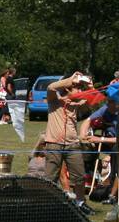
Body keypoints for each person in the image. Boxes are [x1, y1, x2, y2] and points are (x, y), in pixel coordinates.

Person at [41, 71, 95, 212]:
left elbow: (96, 101)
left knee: (79, 175)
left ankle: (80, 203)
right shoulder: (54, 100)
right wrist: (71, 79)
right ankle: (46, 204)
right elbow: (51, 87)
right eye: (77, 87)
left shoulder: (78, 103)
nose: (80, 90)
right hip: (54, 143)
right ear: (67, 88)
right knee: (50, 176)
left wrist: (90, 86)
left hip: (72, 144)